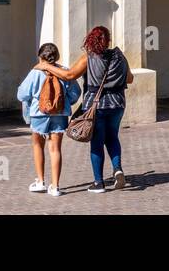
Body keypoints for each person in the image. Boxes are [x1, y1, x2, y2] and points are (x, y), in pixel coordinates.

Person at [37, 25, 133, 194]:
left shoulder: (88, 58)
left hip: (96, 106)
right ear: (108, 40)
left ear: (90, 40)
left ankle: (98, 183)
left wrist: (46, 66)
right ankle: (117, 169)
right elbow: (130, 79)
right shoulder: (120, 56)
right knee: (112, 137)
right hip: (118, 103)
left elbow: (69, 75)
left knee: (96, 142)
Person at [17, 43, 82, 196]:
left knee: (37, 146)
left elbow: (22, 95)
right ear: (57, 57)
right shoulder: (64, 71)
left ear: (40, 57)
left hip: (38, 113)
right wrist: (65, 103)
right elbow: (75, 93)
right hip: (59, 114)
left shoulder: (35, 72)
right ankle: (55, 186)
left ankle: (40, 182)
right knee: (55, 149)